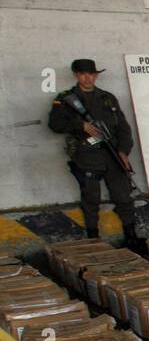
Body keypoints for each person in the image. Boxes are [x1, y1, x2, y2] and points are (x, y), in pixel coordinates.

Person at [47, 58, 139, 244]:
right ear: (76, 75)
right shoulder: (65, 99)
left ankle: (131, 237)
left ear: (96, 75)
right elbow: (54, 124)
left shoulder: (107, 98)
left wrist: (123, 151)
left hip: (112, 155)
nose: (87, 78)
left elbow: (123, 127)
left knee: (123, 197)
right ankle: (93, 240)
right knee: (91, 200)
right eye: (83, 74)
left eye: (91, 74)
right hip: (86, 156)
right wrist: (81, 125)